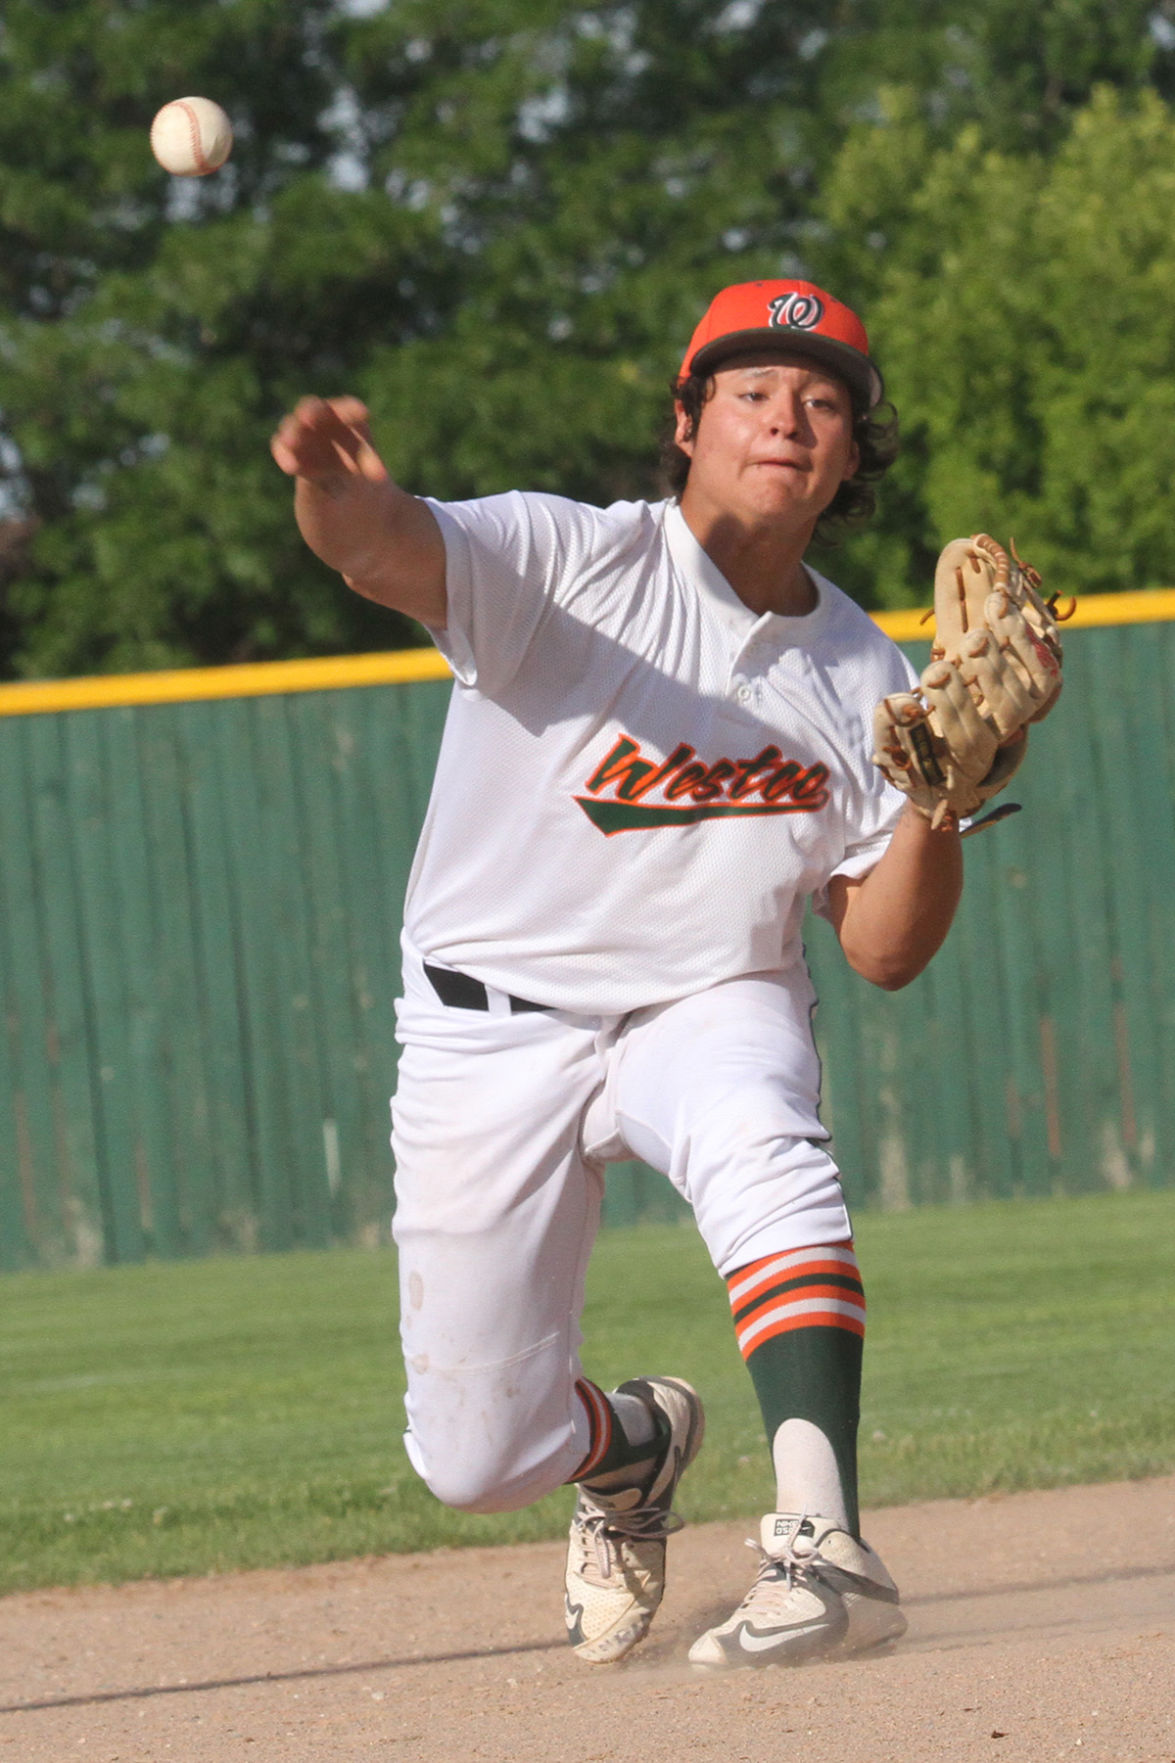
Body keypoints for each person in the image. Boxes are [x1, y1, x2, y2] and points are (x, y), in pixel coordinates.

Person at [271, 278, 963, 1670]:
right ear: (688, 421)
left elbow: (881, 952)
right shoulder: (570, 558)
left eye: (823, 400)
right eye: (754, 390)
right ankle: (632, 1445)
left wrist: (941, 806)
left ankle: (822, 1543)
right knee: (476, 1457)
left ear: (849, 454)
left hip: (710, 996)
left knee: (773, 1148)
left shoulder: (863, 673)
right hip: (490, 1027)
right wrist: (335, 493)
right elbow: (386, 550)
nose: (788, 416)